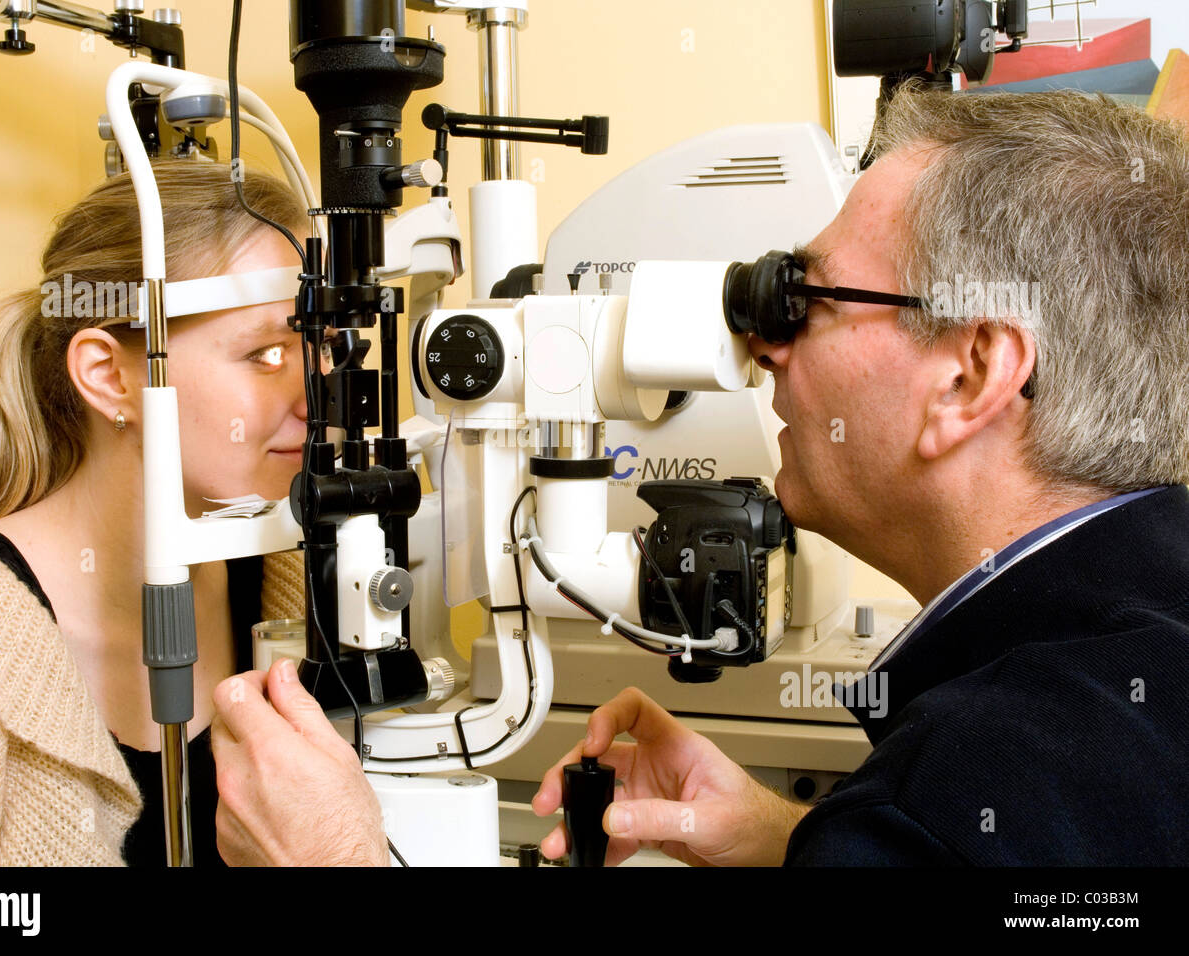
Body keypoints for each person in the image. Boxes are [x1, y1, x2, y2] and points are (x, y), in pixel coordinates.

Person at [211, 83, 1189, 865]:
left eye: (802, 295)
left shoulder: (979, 787)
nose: (762, 342)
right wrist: (801, 844)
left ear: (967, 376)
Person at [0, 160, 322, 865]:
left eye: (321, 345)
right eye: (266, 353)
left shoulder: (286, 581)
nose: (316, 397)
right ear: (107, 375)